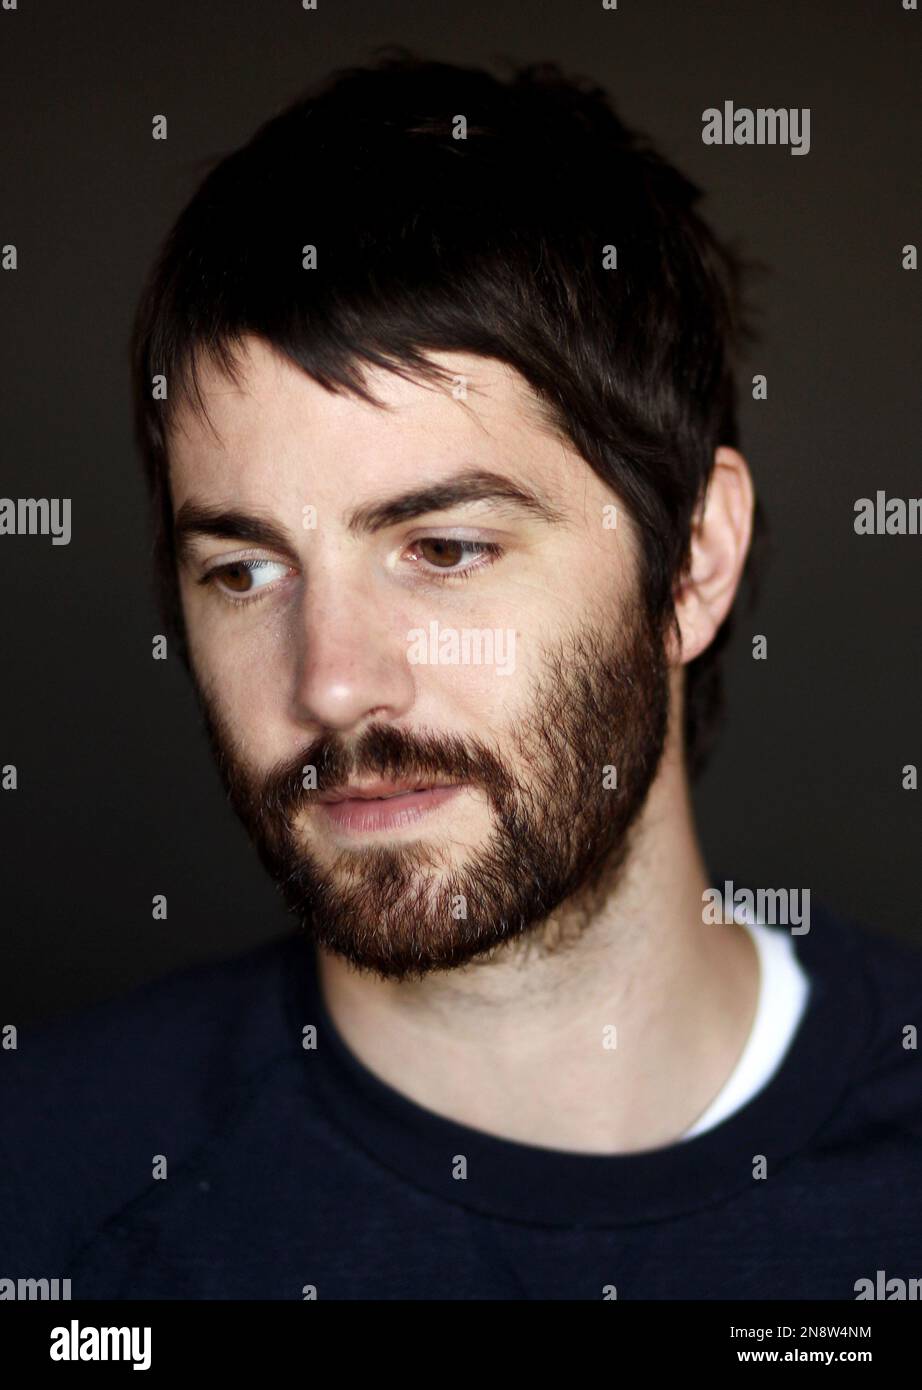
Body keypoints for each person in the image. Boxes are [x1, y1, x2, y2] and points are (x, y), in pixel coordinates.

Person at [2, 50, 920, 1301]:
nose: (329, 684)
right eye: (245, 572)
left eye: (443, 548)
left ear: (694, 560)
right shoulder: (46, 1198)